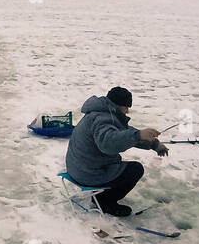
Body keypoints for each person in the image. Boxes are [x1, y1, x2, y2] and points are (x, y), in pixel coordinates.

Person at [64, 86, 168, 216]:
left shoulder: (101, 113)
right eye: (126, 107)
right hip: (88, 174)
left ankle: (103, 196)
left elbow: (122, 133)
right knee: (135, 169)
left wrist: (154, 144)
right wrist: (138, 135)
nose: (127, 111)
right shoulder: (102, 119)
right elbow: (109, 143)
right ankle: (104, 202)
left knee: (122, 166)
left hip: (78, 169)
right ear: (119, 105)